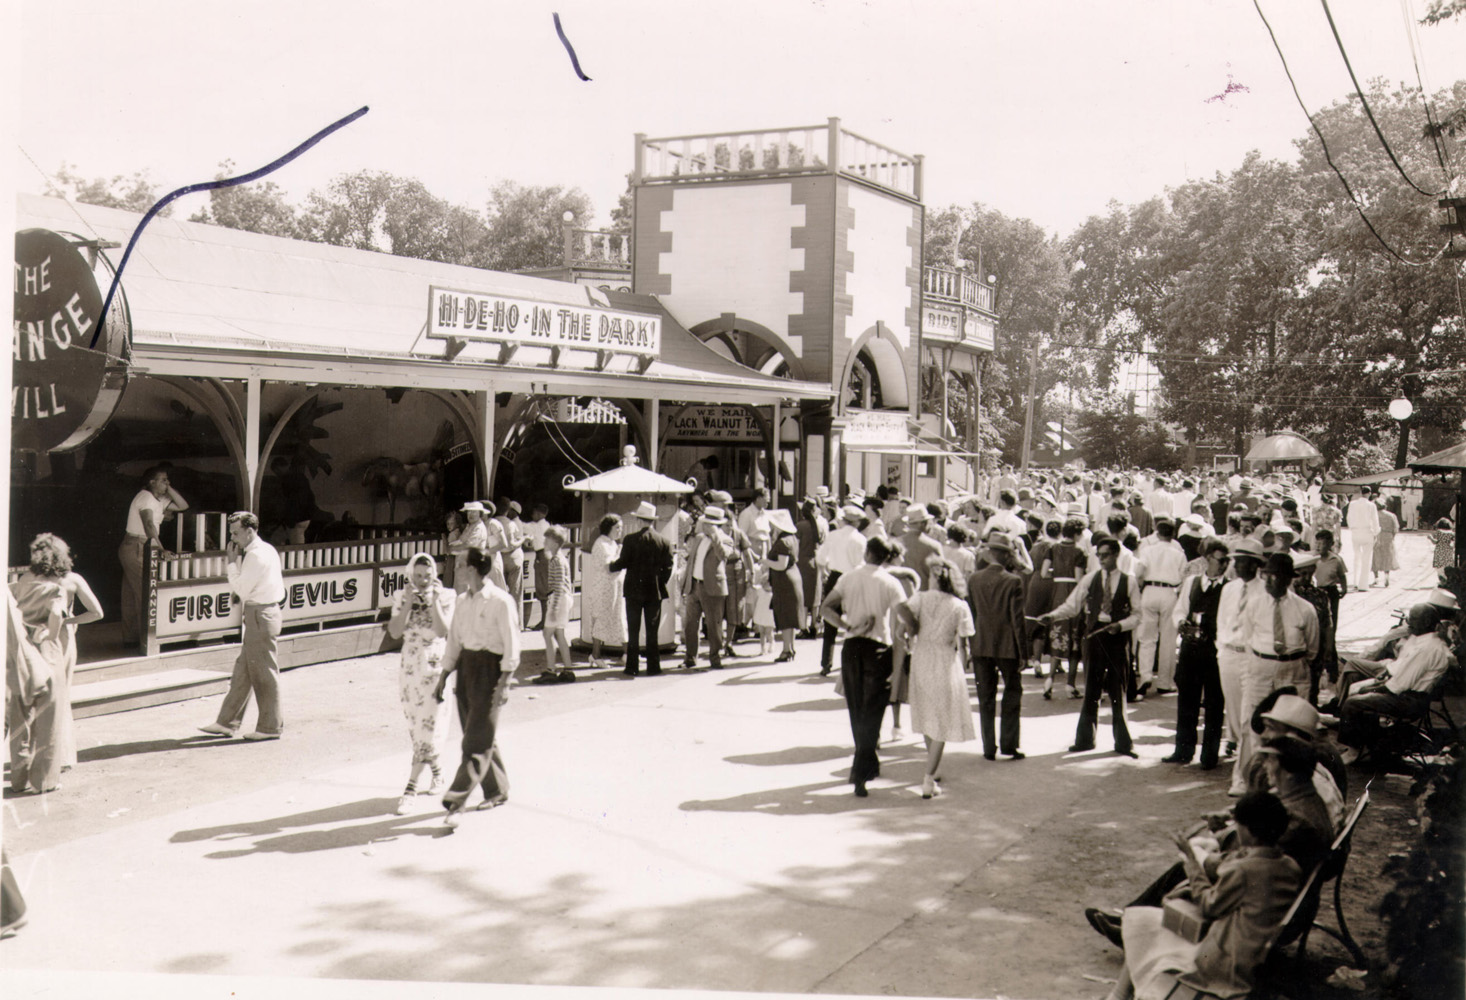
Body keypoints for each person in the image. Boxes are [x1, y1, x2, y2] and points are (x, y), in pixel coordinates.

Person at [1098, 791, 1302, 1000]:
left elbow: (1209, 906)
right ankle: (1118, 996)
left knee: (1144, 922)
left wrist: (1191, 861)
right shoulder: (1289, 866)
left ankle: (1118, 995)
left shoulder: (1244, 871)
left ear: (1248, 831)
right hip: (1255, 952)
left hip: (1224, 959)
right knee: (1158, 921)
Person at [432, 547, 521, 829]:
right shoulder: (462, 601)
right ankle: (497, 790)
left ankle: (455, 803)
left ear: (473, 569)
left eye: (462, 565)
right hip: (466, 669)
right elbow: (454, 641)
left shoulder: (501, 601)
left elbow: (511, 644)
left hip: (491, 671)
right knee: (480, 734)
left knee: (474, 742)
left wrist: (505, 683)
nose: (458, 568)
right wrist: (444, 676)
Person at [10, 534, 104, 781]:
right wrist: (69, 620)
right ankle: (59, 757)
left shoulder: (26, 578)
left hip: (30, 638)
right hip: (60, 638)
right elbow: (97, 612)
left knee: (31, 697)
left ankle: (28, 758)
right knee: (59, 697)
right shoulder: (72, 580)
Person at [1037, 535, 1141, 757]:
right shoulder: (1090, 579)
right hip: (1094, 639)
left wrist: (1120, 625)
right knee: (1091, 691)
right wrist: (1052, 616)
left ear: (1115, 555)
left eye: (1105, 555)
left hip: (1117, 640)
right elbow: (1072, 605)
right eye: (1099, 555)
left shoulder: (1128, 581)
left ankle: (1123, 743)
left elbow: (1137, 615)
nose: (1101, 559)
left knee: (1117, 691)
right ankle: (1085, 740)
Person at [821, 536, 909, 797]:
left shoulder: (849, 577)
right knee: (873, 710)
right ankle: (863, 767)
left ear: (867, 552)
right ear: (886, 556)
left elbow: (825, 608)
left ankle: (864, 765)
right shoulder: (890, 582)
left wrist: (847, 625)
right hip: (878, 648)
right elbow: (905, 614)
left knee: (857, 708)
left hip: (852, 647)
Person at [198, 512, 287, 740]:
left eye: (236, 533)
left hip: (260, 614)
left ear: (250, 531)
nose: (233, 538)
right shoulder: (267, 549)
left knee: (264, 673)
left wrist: (230, 562)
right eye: (231, 533)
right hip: (263, 612)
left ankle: (269, 727)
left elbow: (242, 588)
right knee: (243, 671)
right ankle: (227, 722)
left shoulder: (255, 556)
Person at [1329, 603, 1452, 764]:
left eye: (1413, 619)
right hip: (1406, 693)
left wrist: (1370, 688)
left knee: (1354, 702)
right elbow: (1400, 667)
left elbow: (1399, 685)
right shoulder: (1421, 640)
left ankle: (1353, 750)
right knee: (1356, 684)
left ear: (1426, 622)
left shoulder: (1428, 648)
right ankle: (1367, 741)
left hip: (1410, 701)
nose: (1408, 622)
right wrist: (1381, 677)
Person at [896, 557, 976, 799]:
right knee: (944, 715)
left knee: (927, 711)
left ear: (933, 578)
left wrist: (909, 637)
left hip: (922, 656)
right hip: (944, 659)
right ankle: (929, 777)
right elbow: (964, 638)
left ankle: (933, 766)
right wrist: (965, 664)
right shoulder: (959, 605)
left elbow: (902, 626)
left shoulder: (920, 598)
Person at [385, 552, 455, 814]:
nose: (423, 580)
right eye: (418, 576)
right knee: (417, 727)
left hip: (436, 666)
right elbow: (394, 632)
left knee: (429, 724)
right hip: (411, 666)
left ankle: (410, 789)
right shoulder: (401, 596)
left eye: (428, 576)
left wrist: (434, 602)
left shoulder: (447, 595)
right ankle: (437, 772)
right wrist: (407, 603)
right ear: (410, 575)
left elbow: (441, 630)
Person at [1163, 538, 1229, 769]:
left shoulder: (1228, 588)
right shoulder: (1192, 583)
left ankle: (1209, 754)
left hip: (1214, 651)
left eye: (1226, 561)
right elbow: (1179, 610)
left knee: (1214, 702)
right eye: (1220, 560)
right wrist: (1182, 622)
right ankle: (1183, 750)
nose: (1223, 565)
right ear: (1207, 559)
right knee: (1186, 700)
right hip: (1191, 649)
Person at [967, 533, 1029, 761]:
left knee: (985, 696)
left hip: (981, 642)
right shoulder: (1013, 581)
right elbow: (1017, 619)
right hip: (1007, 645)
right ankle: (1009, 744)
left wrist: (970, 644)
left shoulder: (974, 579)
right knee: (1012, 692)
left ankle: (988, 746)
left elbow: (971, 614)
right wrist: (1024, 652)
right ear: (1004, 554)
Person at [119, 465, 188, 646]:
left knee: (131, 594)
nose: (167, 482)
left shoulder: (158, 499)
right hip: (137, 545)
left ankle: (132, 638)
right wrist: (161, 548)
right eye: (163, 479)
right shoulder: (146, 498)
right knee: (145, 592)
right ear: (152, 482)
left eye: (167, 479)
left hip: (137, 545)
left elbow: (183, 506)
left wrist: (169, 488)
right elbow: (149, 524)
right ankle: (147, 640)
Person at [1219, 538, 1267, 793]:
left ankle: (1242, 775)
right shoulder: (1229, 589)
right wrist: (1221, 650)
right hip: (1227, 654)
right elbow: (1221, 622)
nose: (1236, 565)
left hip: (1250, 657)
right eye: (1235, 561)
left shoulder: (1264, 590)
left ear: (1255, 564)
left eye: (1242, 561)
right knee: (1234, 712)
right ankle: (1239, 755)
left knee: (1249, 714)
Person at [609, 502, 673, 677]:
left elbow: (622, 563)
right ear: (652, 521)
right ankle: (653, 666)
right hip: (654, 591)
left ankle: (632, 666)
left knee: (633, 629)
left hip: (634, 590)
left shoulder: (630, 540)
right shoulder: (664, 541)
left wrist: (611, 565)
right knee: (652, 631)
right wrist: (660, 582)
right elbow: (668, 567)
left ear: (639, 521)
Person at [1135, 517, 1186, 697]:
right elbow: (1184, 578)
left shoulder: (1147, 550)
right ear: (1173, 534)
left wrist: (1139, 588)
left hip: (1149, 590)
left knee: (1146, 637)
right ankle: (1164, 681)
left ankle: (1146, 675)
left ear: (1157, 533)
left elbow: (1139, 573)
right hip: (1169, 592)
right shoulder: (1178, 553)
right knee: (1168, 639)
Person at [816, 505, 869, 676]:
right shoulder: (860, 540)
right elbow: (862, 564)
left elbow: (820, 558)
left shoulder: (833, 535)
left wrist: (824, 571)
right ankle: (851, 662)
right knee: (853, 619)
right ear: (857, 522)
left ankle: (826, 662)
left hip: (835, 577)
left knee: (830, 619)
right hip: (853, 577)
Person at [681, 506, 733, 670]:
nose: (703, 525)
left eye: (707, 523)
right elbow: (691, 561)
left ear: (715, 525)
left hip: (712, 588)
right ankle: (690, 657)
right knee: (690, 624)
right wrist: (685, 584)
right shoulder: (699, 538)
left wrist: (716, 535)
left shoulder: (725, 539)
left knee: (714, 625)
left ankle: (715, 658)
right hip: (694, 585)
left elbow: (723, 555)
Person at [583, 514, 627, 669]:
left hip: (614, 587)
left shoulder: (612, 543)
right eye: (617, 528)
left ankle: (626, 654)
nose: (620, 531)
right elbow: (610, 566)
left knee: (619, 618)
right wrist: (621, 553)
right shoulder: (601, 544)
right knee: (602, 619)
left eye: (621, 527)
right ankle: (595, 655)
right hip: (604, 588)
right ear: (608, 528)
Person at [762, 509, 805, 663]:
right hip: (793, 578)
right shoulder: (791, 538)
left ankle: (786, 650)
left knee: (785, 617)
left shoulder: (782, 541)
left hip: (785, 581)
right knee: (791, 617)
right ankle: (790, 648)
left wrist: (765, 562)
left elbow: (781, 565)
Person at [537, 526, 575, 682]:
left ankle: (551, 670)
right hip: (564, 598)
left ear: (554, 542)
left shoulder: (556, 560)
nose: (544, 541)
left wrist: (553, 608)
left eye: (547, 539)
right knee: (559, 634)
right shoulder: (560, 558)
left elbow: (558, 586)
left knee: (547, 633)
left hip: (558, 599)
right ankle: (568, 668)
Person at [795, 500, 826, 638]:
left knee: (803, 597)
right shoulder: (820, 526)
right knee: (815, 596)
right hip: (817, 561)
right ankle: (814, 625)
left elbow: (795, 545)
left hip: (803, 562)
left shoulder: (800, 526)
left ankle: (804, 627)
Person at [450, 500, 491, 595]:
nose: (470, 514)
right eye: (469, 512)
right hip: (463, 565)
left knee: (465, 594)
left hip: (471, 566)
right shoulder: (470, 526)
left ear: (480, 514)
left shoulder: (479, 528)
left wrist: (452, 549)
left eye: (474, 512)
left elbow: (469, 546)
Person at [522, 503, 552, 629]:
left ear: (539, 514)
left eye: (534, 513)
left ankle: (544, 621)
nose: (532, 515)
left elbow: (522, 527)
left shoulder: (537, 526)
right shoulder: (546, 525)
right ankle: (546, 620)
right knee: (546, 588)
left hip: (542, 556)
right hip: (546, 555)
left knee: (542, 588)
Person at [1344, 489, 1379, 591]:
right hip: (1367, 532)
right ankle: (1363, 585)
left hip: (1356, 532)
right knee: (1366, 559)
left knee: (1356, 557)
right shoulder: (1371, 505)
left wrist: (1352, 528)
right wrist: (1375, 533)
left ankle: (1355, 581)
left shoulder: (1353, 504)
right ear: (1368, 494)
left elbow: (1349, 518)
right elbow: (1375, 520)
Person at [496, 499, 526, 611]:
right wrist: (523, 540)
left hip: (499, 558)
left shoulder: (493, 522)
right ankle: (516, 622)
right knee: (516, 592)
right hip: (514, 558)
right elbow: (513, 544)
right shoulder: (512, 523)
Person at [1371, 497, 1398, 588]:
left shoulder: (1374, 515)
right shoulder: (1391, 515)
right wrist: (1392, 536)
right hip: (1388, 536)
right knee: (1387, 556)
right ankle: (1386, 575)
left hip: (1377, 536)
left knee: (1376, 556)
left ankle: (1376, 578)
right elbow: (1396, 528)